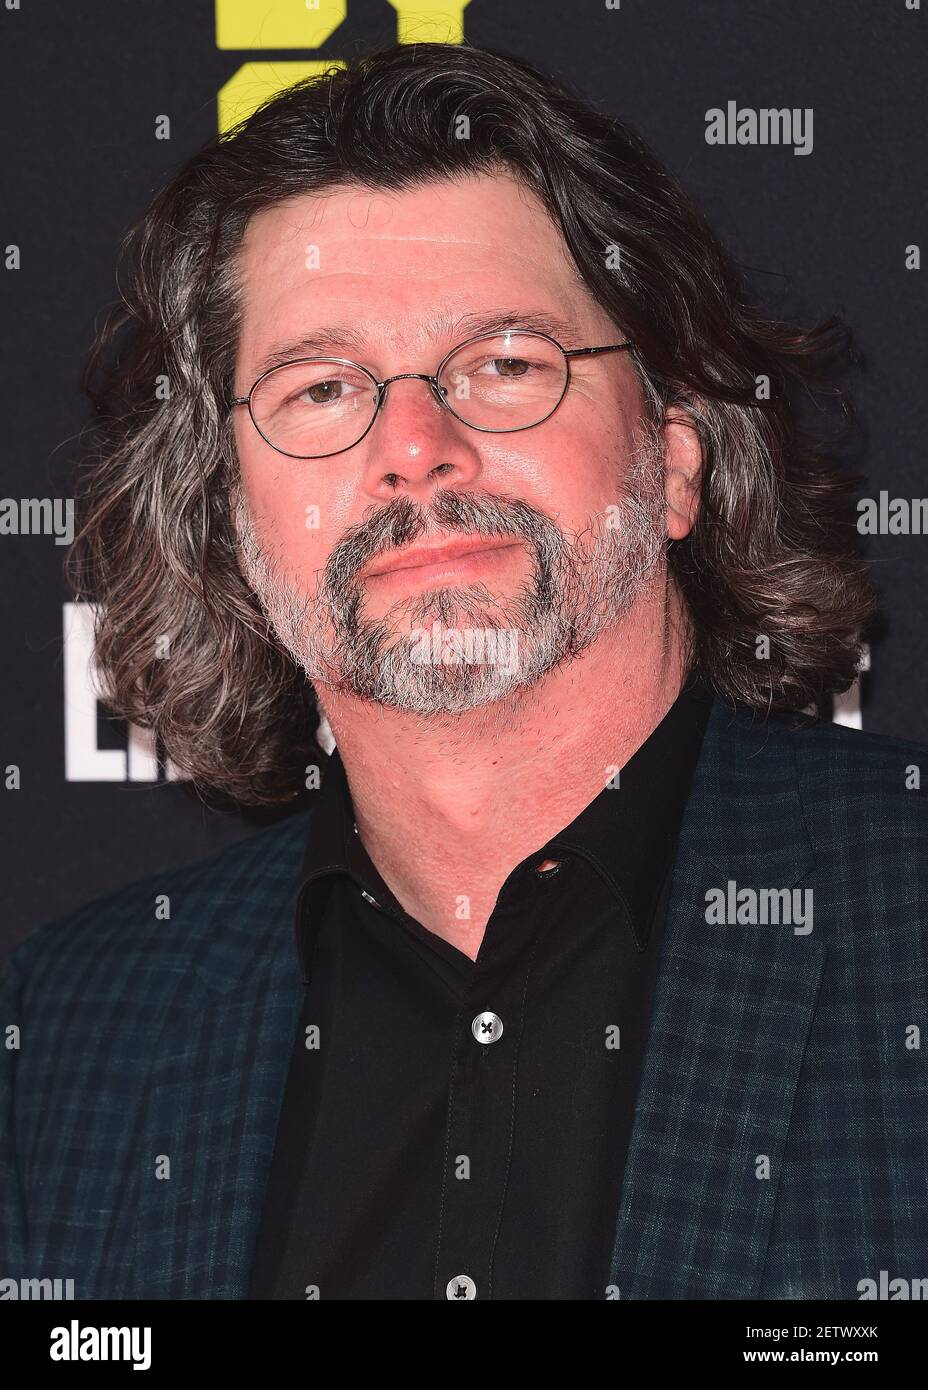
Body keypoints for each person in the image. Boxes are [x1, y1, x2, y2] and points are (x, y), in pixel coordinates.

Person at [2, 41, 925, 1302]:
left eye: (503, 364)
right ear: (229, 514)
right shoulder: (70, 1038)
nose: (417, 450)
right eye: (322, 388)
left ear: (675, 457)